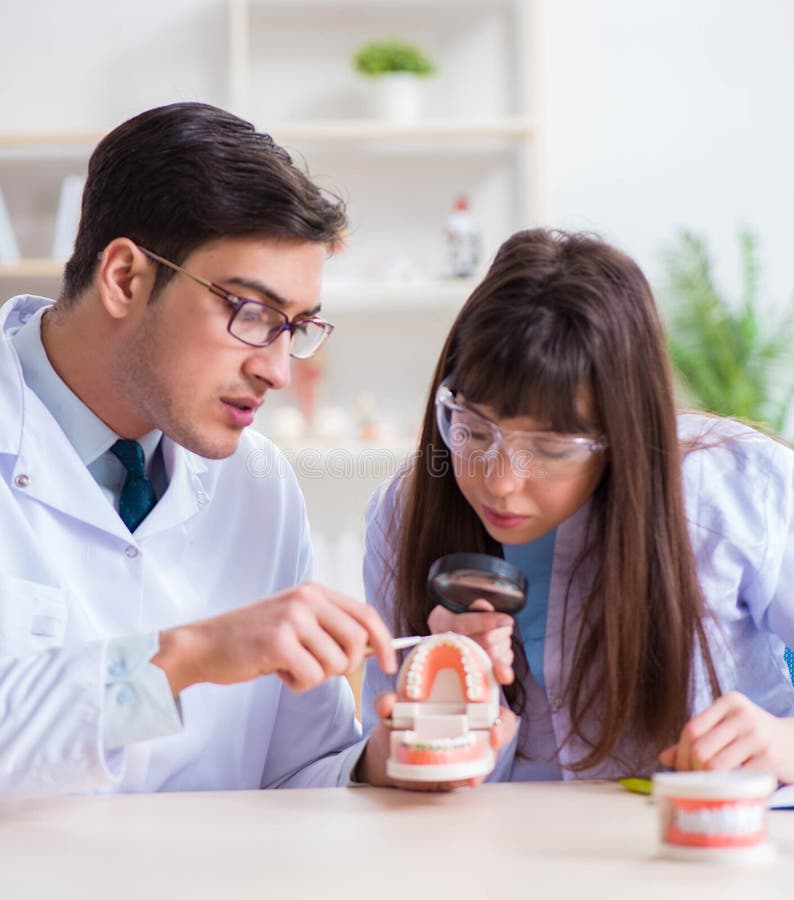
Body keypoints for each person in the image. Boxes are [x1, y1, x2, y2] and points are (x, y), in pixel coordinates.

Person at [0, 101, 408, 795]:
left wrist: (389, 760)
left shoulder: (258, 484)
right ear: (126, 278)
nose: (278, 370)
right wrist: (188, 657)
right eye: (251, 313)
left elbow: (299, 771)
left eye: (297, 327)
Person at [359, 228, 794, 786]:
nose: (502, 484)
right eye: (472, 429)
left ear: (624, 435)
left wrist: (785, 742)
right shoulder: (404, 514)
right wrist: (446, 704)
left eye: (549, 449)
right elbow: (390, 770)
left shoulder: (732, 488)